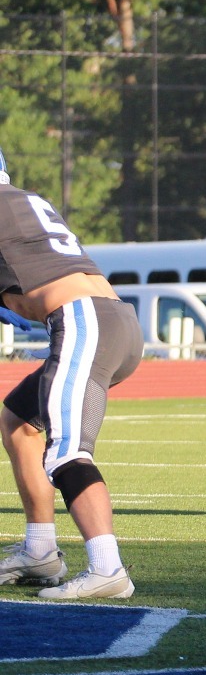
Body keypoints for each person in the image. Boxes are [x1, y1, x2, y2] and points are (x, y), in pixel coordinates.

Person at [0, 148, 146, 599]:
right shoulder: (21, 202)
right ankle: (41, 551)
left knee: (66, 453)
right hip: (110, 321)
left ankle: (108, 570)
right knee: (18, 422)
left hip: (85, 321)